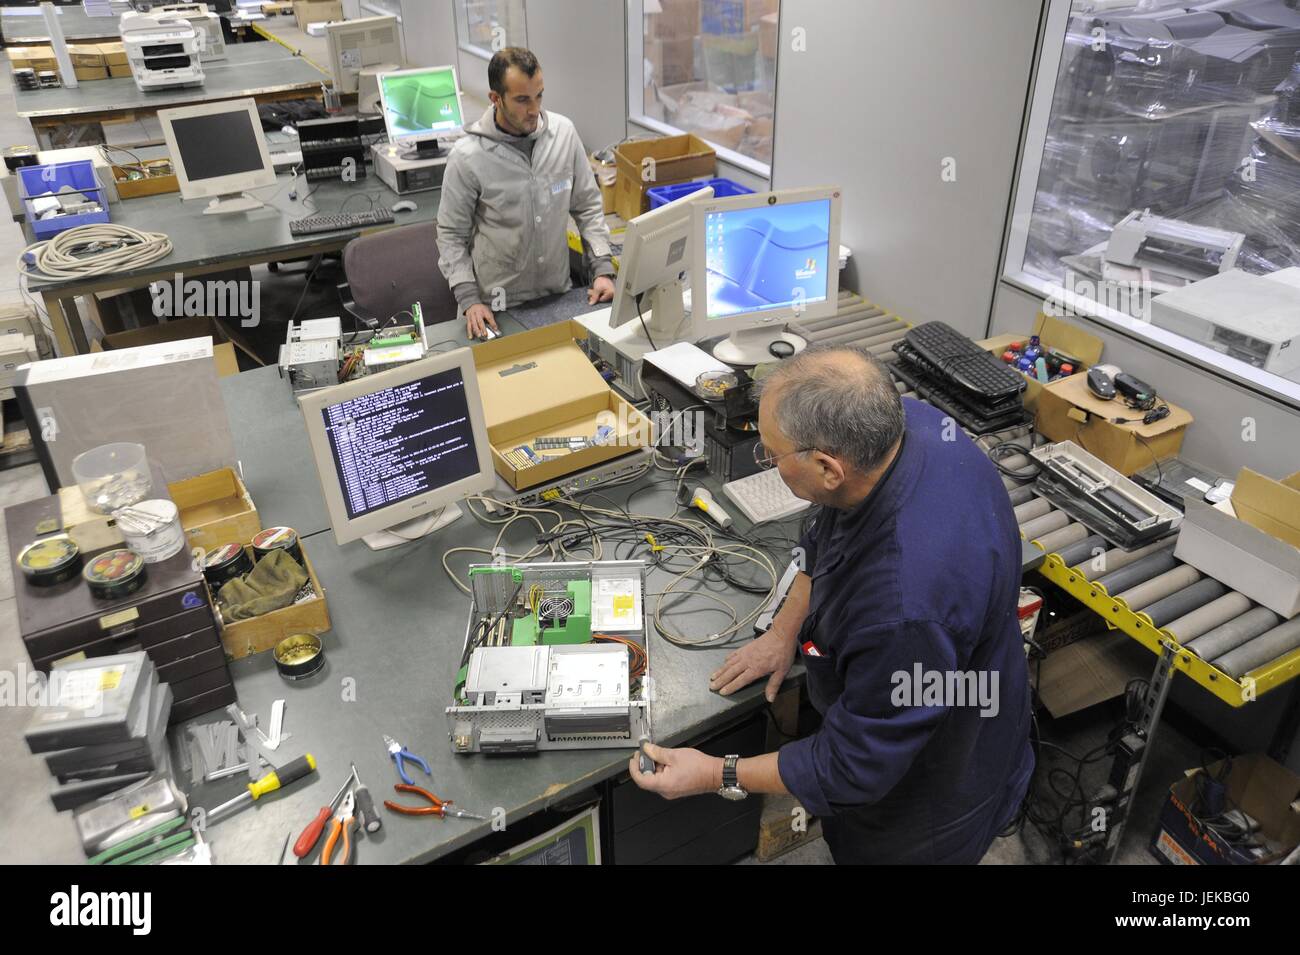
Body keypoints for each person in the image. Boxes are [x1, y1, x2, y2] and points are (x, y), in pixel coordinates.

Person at [629, 344, 1034, 864]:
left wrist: (716, 773)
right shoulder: (903, 424)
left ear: (827, 467)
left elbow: (849, 766)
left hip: (932, 784)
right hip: (940, 684)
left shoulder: (903, 607)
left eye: (772, 456)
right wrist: (782, 632)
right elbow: (822, 534)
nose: (768, 464)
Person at [436, 47, 615, 339]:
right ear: (495, 98)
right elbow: (451, 236)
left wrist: (603, 269)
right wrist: (469, 300)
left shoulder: (564, 135)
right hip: (496, 310)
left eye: (539, 96)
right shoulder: (467, 156)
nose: (534, 109)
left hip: (557, 299)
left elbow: (588, 207)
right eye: (522, 100)